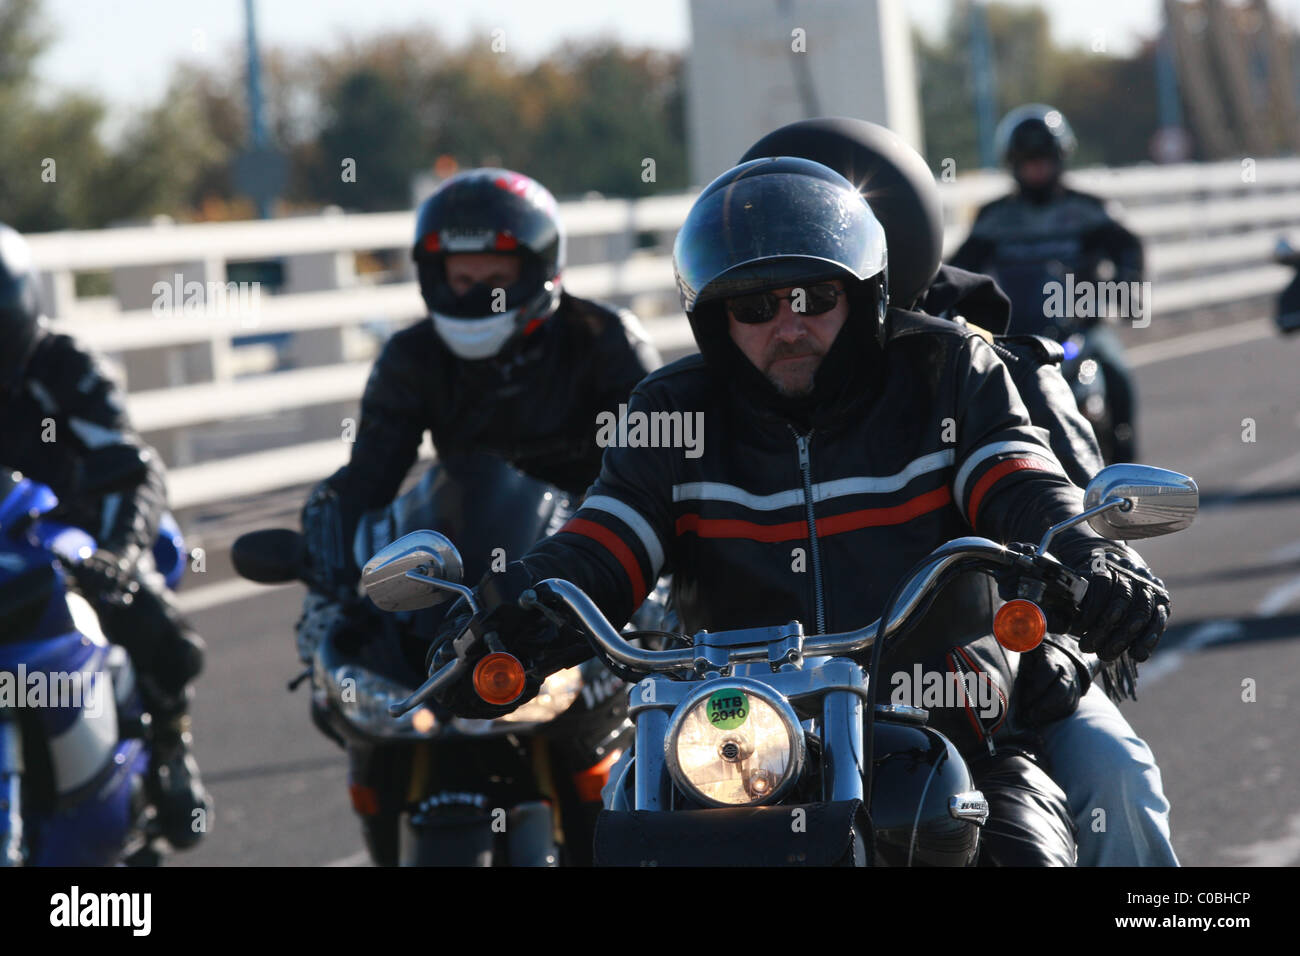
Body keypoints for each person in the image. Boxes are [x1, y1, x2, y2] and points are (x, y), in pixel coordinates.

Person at [428, 157, 1172, 865]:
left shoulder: (947, 372)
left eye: (816, 297)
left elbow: (1017, 479)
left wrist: (1091, 554)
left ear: (864, 294)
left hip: (956, 726)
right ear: (714, 317)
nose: (788, 326)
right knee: (626, 823)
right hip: (735, 749)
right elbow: (602, 541)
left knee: (1050, 835)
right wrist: (509, 617)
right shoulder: (673, 411)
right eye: (755, 307)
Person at [738, 117, 1177, 866]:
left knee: (1118, 780)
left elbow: (1063, 505)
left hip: (997, 679)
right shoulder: (738, 381)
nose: (792, 313)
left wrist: (1064, 642)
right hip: (781, 709)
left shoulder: (985, 360)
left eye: (831, 230)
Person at [297, 167, 661, 864]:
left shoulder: (604, 339)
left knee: (665, 734)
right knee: (361, 680)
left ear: (538, 270)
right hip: (466, 566)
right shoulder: (412, 354)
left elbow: (664, 475)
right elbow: (370, 475)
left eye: (494, 273)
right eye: (460, 276)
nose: (477, 292)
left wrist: (656, 583)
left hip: (593, 562)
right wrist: (328, 546)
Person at [0, 222, 211, 850]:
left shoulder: (63, 366)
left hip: (69, 536)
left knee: (158, 626)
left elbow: (129, 459)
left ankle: (172, 746)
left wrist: (118, 554)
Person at [950, 104, 1144, 462]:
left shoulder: (1091, 209)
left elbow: (1129, 250)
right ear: (1013, 164)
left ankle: (1125, 469)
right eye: (1028, 160)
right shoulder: (993, 218)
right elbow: (959, 271)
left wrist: (1124, 293)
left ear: (1060, 158)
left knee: (1117, 374)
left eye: (1043, 158)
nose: (1037, 168)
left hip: (1081, 329)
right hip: (1014, 336)